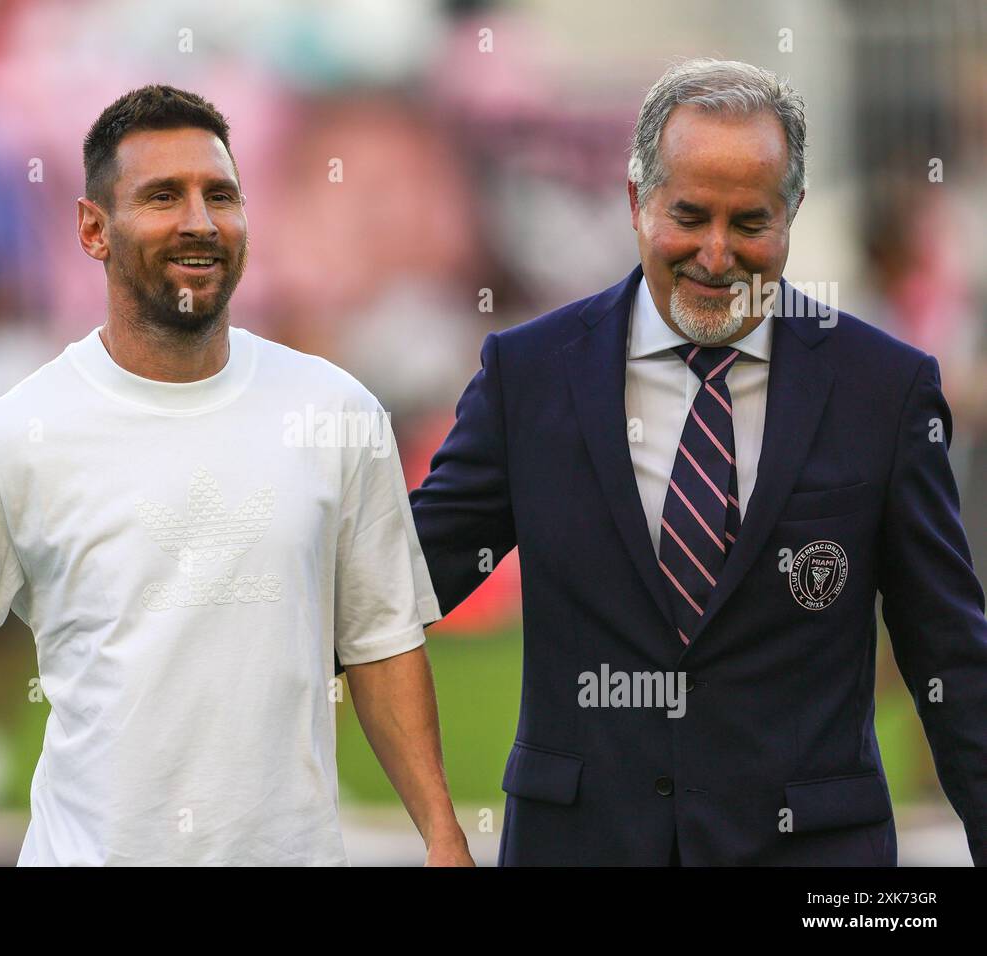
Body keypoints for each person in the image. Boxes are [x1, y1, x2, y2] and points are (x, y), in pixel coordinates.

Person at [0, 85, 473, 867]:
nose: (199, 221)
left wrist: (442, 836)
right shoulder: (14, 436)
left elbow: (380, 645)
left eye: (220, 195)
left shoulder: (338, 413)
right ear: (93, 229)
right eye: (163, 196)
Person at [409, 59, 987, 865]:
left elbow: (949, 653)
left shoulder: (884, 391)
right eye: (688, 216)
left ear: (793, 213)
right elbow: (398, 586)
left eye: (750, 222)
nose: (717, 256)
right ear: (636, 201)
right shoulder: (529, 376)